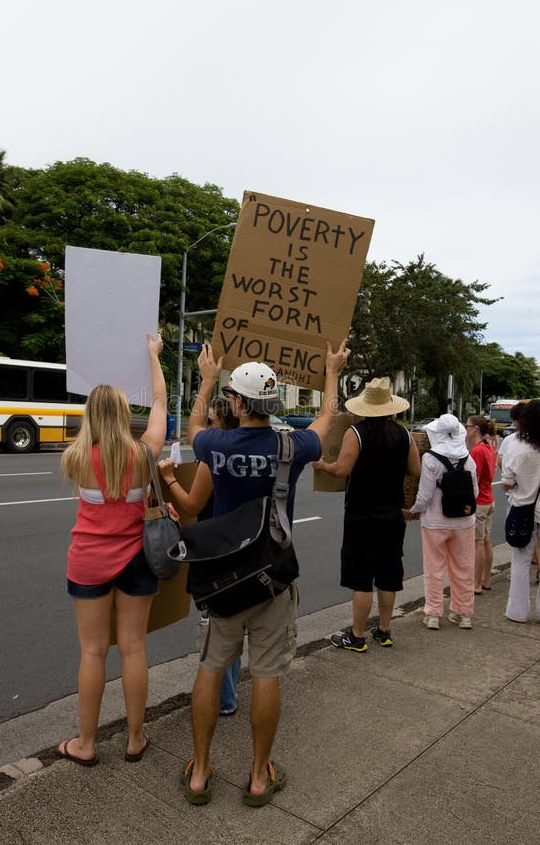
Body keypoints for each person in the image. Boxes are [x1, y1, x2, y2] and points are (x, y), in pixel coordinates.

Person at [181, 340, 350, 807]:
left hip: (223, 580)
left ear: (237, 403)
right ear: (272, 404)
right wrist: (332, 372)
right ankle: (258, 777)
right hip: (272, 577)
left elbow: (192, 425)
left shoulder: (214, 444)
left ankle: (199, 773)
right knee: (268, 675)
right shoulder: (292, 446)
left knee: (212, 668)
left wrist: (206, 379)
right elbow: (326, 420)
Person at [56, 333, 166, 766]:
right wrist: (153, 356)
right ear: (123, 414)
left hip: (88, 562)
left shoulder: (75, 458)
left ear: (89, 416)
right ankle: (135, 738)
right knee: (134, 648)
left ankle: (86, 743)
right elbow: (159, 404)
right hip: (138, 559)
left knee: (92, 651)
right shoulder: (143, 454)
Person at [313, 379, 420, 652]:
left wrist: (322, 464)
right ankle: (384, 630)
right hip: (393, 515)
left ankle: (357, 635)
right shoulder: (404, 434)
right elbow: (415, 470)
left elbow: (341, 469)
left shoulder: (356, 433)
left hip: (362, 515)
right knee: (388, 574)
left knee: (361, 578)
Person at [158, 397, 242, 717]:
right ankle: (228, 692)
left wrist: (169, 480)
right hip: (239, 550)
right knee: (232, 625)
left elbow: (193, 506)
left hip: (213, 556)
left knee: (215, 629)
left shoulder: (213, 459)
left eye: (211, 423)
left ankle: (223, 698)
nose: (204, 429)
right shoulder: (243, 453)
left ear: (225, 427)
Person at [403, 414, 478, 630]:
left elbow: (425, 495)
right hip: (464, 521)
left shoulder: (430, 458)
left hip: (435, 521)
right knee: (464, 567)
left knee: (434, 568)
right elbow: (474, 491)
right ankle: (463, 614)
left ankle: (434, 614)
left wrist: (413, 510)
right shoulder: (467, 457)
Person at [501, 398, 540, 622]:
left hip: (523, 509)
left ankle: (518, 612)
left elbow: (506, 483)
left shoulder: (517, 446)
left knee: (521, 563)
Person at [465, 415, 495, 594]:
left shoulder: (477, 451)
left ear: (475, 429)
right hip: (489, 498)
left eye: (467, 426)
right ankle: (486, 578)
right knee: (486, 540)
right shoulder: (488, 447)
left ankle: (476, 583)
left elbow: (473, 478)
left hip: (480, 501)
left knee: (478, 543)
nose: (466, 429)